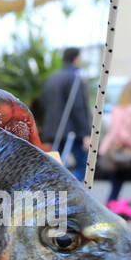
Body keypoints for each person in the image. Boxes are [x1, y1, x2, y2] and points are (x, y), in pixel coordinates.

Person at [41, 47, 91, 181]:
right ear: (76, 58)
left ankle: (56, 194)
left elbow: (43, 104)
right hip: (72, 132)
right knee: (85, 166)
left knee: (56, 167)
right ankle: (67, 192)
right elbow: (78, 107)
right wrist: (86, 133)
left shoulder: (51, 78)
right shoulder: (74, 78)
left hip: (53, 131)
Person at [97, 78, 131, 215]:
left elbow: (113, 131)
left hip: (112, 152)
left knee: (116, 185)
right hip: (126, 153)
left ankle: (108, 211)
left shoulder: (116, 108)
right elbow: (123, 134)